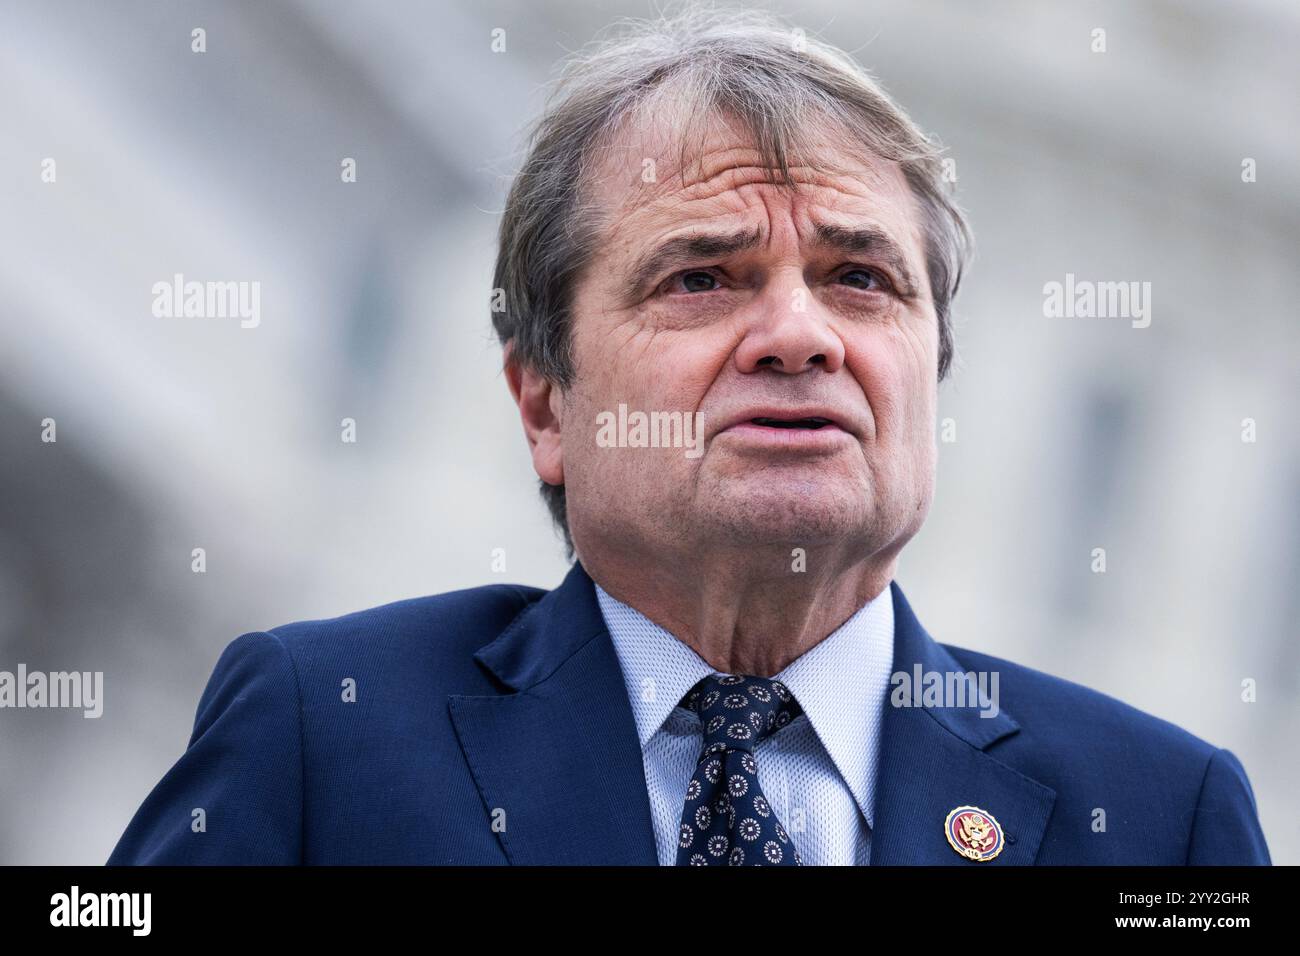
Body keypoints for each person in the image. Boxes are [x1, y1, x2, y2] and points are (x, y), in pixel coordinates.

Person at [107, 6, 1270, 866]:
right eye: (704, 277)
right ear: (545, 403)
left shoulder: (1161, 820)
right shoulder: (327, 730)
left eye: (860, 278)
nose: (798, 336)